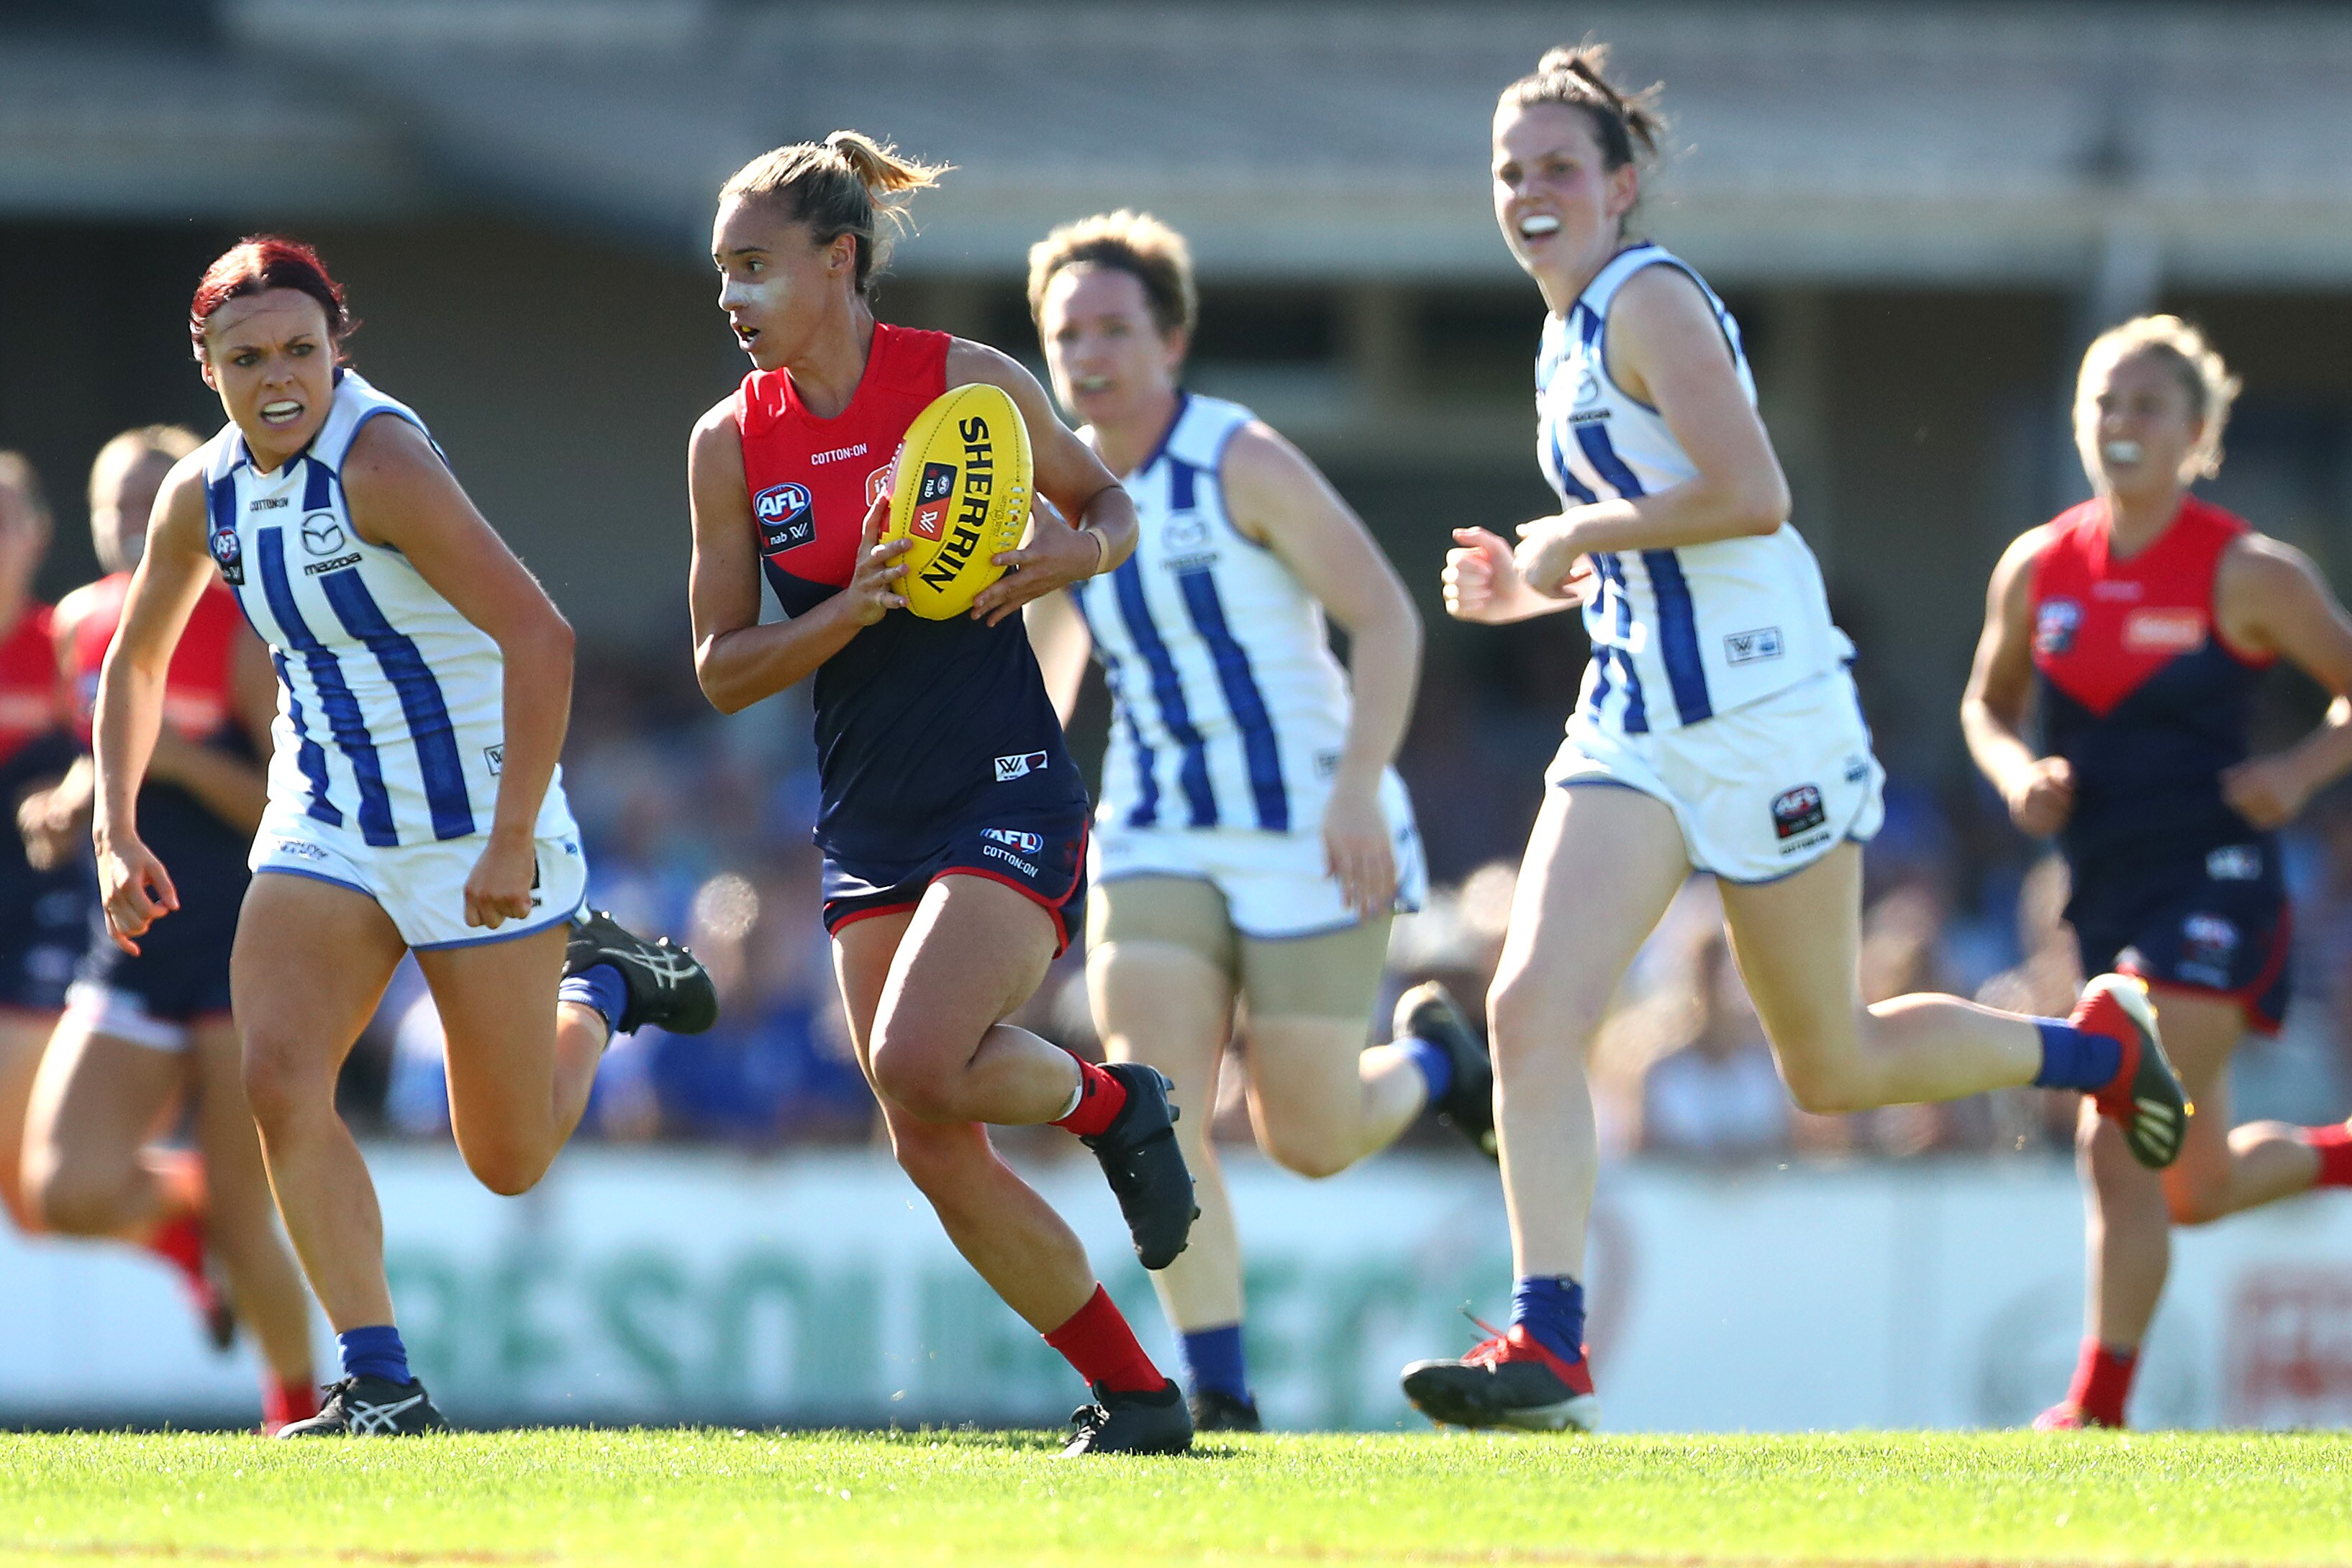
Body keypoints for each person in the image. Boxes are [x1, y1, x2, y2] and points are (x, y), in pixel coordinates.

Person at [1394, 45, 2191, 1433]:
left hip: (1764, 716)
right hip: (1633, 715)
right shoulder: (1561, 332)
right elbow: (1651, 543)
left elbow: (1751, 494)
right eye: (1508, 172)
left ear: (1620, 185)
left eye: (1558, 167)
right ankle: (1549, 1338)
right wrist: (1532, 582)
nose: (1528, 191)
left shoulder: (1646, 296)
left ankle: (2096, 1057)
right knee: (1527, 1009)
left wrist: (1580, 530)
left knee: (1831, 1064)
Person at [95, 235, 716, 1437]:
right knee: (278, 1077)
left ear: (338, 348)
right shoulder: (201, 493)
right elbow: (137, 659)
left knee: (509, 1159)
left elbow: (542, 639)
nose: (279, 378)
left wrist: (510, 839)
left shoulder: (380, 462)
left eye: (301, 350)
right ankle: (380, 1381)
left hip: (473, 823)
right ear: (207, 367)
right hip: (325, 815)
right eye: (247, 359)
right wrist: (116, 830)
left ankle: (603, 983)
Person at [686, 135, 1197, 1455]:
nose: (732, 296)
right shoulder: (729, 442)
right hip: (868, 815)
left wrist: (1070, 557)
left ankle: (1114, 1108)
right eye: (723, 271)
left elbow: (1110, 505)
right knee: (926, 1134)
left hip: (1003, 783)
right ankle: (1139, 1396)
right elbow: (722, 668)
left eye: (755, 267)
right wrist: (844, 612)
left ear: (837, 259)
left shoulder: (963, 382)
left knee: (917, 1061)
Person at [1021, 210, 1494, 1433]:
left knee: (1311, 1139)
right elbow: (1043, 674)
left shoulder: (1241, 457)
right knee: (1156, 1117)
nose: (1088, 355)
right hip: (1156, 831)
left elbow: (1386, 619)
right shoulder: (1051, 491)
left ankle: (1438, 1062)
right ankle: (1220, 1395)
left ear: (1170, 341)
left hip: (1310, 826)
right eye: (1066, 335)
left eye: (1113, 329)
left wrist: (1357, 789)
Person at [1961, 315, 2352, 1430]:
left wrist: (2297, 773)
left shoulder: (2249, 571)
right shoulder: (2037, 568)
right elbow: (1986, 705)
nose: (2121, 423)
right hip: (2105, 892)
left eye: (2147, 405)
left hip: (2218, 882)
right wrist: (2015, 771)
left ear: (2197, 434)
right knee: (2196, 1187)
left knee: (2118, 1122)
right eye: (2104, 402)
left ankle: (2096, 1411)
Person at [17, 426, 319, 1431]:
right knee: (62, 1189)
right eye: (113, 504)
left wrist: (182, 762)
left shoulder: (239, 623)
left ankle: (296, 1411)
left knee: (250, 1212)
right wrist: (73, 803)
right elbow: (99, 753)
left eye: (151, 500)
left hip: (238, 952)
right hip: (130, 948)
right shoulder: (82, 623)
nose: (129, 522)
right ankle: (189, 1226)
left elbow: (290, 796)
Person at [0, 455, 91, 1231]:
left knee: (28, 1168)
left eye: (4, 519)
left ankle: (202, 1213)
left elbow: (103, 760)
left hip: (42, 905)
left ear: (38, 533)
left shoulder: (65, 640)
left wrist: (58, 800)